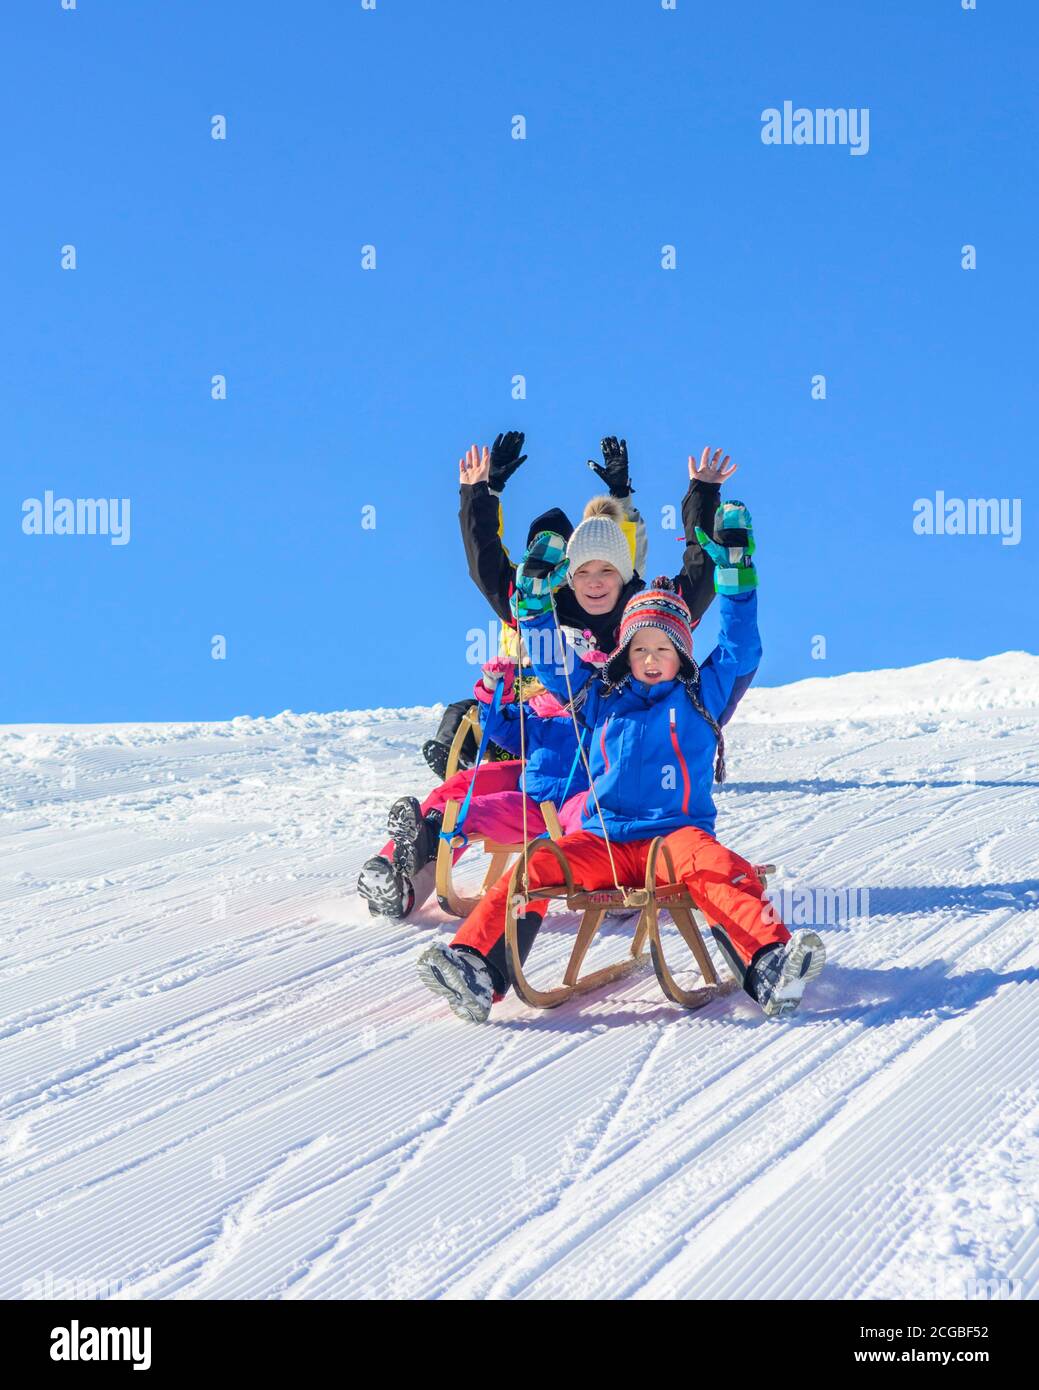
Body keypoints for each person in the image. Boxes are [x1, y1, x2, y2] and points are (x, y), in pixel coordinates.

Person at [416, 499, 826, 1022]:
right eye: (639, 649)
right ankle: (474, 966)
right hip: (602, 840)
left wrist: (736, 579)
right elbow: (550, 659)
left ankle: (770, 962)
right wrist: (537, 602)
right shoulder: (599, 698)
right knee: (536, 863)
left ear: (681, 653)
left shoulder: (703, 699)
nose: (651, 659)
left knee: (719, 867)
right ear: (625, 654)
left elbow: (740, 650)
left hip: (674, 839)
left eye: (663, 649)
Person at [421, 432, 737, 777]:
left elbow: (702, 576)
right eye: (583, 571)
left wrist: (703, 496)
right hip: (540, 728)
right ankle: (463, 778)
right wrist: (480, 492)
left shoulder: (645, 612)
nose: (595, 581)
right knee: (470, 712)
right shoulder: (539, 604)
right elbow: (485, 563)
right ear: (568, 575)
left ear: (624, 573)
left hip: (615, 731)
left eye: (607, 571)